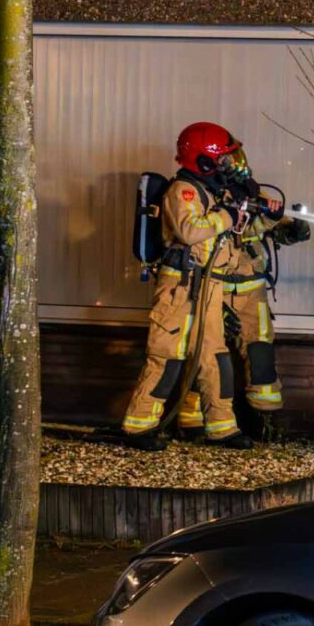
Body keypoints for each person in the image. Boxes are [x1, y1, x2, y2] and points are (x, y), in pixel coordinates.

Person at [121, 122, 253, 450]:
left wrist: (243, 208)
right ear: (204, 161)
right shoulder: (184, 192)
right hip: (180, 287)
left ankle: (222, 427)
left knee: (213, 356)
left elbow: (228, 242)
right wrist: (225, 213)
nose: (231, 166)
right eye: (224, 160)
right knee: (167, 356)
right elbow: (190, 231)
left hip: (208, 287)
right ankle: (139, 426)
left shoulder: (211, 193)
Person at [213, 158, 311, 426]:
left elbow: (276, 227)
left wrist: (293, 230)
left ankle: (265, 421)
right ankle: (194, 423)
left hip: (251, 287)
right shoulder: (205, 195)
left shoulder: (256, 195)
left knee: (260, 352)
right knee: (206, 353)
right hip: (214, 287)